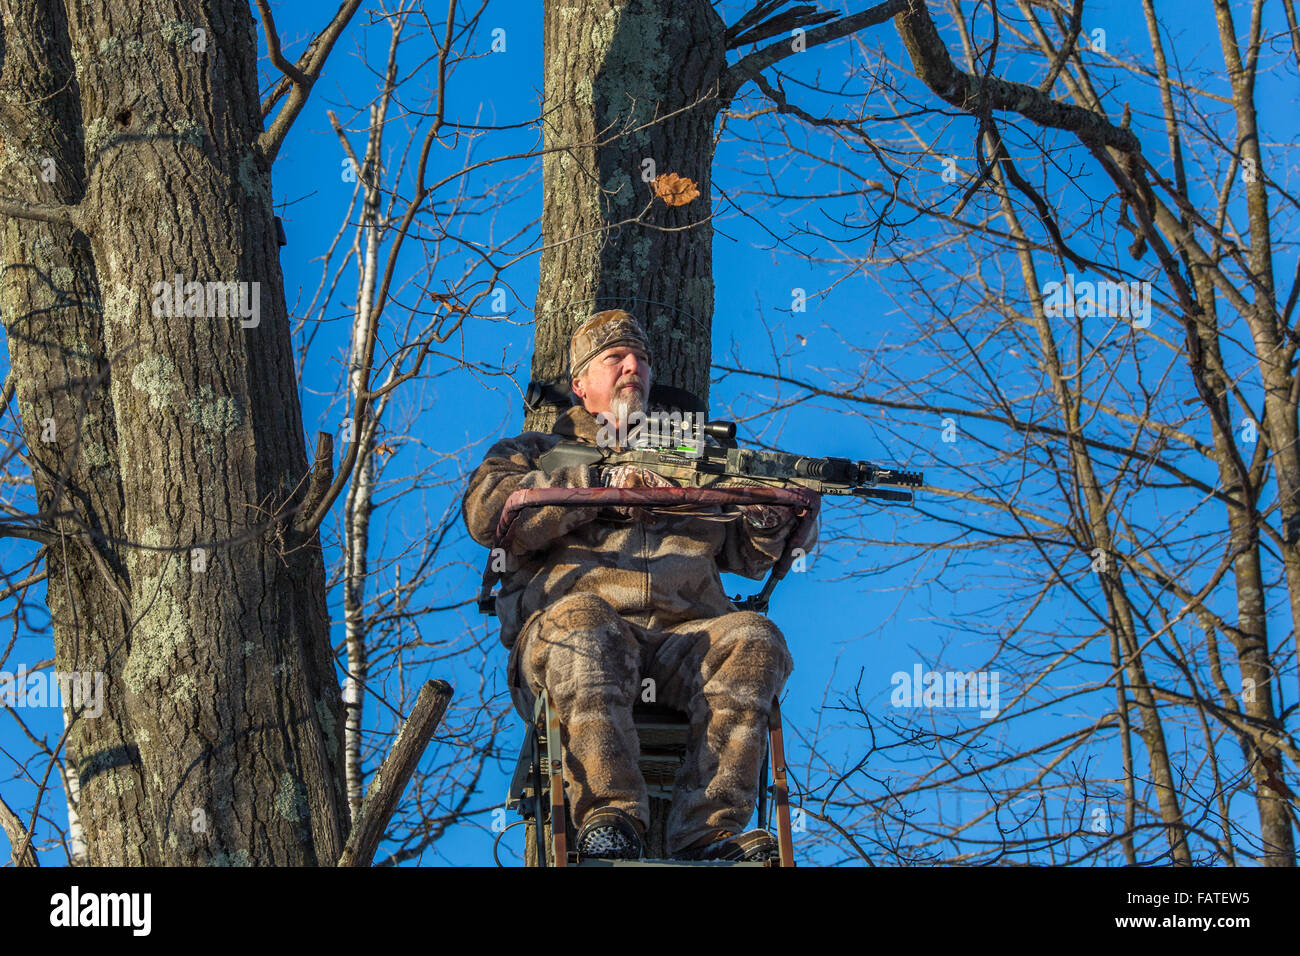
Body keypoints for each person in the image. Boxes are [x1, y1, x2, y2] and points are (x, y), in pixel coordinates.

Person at [461, 309, 813, 861]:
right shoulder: (532, 451)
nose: (634, 369)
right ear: (580, 384)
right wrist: (598, 483)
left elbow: (745, 555)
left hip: (685, 643)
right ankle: (609, 823)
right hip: (576, 637)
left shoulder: (694, 458)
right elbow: (488, 512)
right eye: (616, 358)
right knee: (585, 625)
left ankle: (710, 837)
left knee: (754, 638)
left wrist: (765, 519)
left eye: (642, 361)